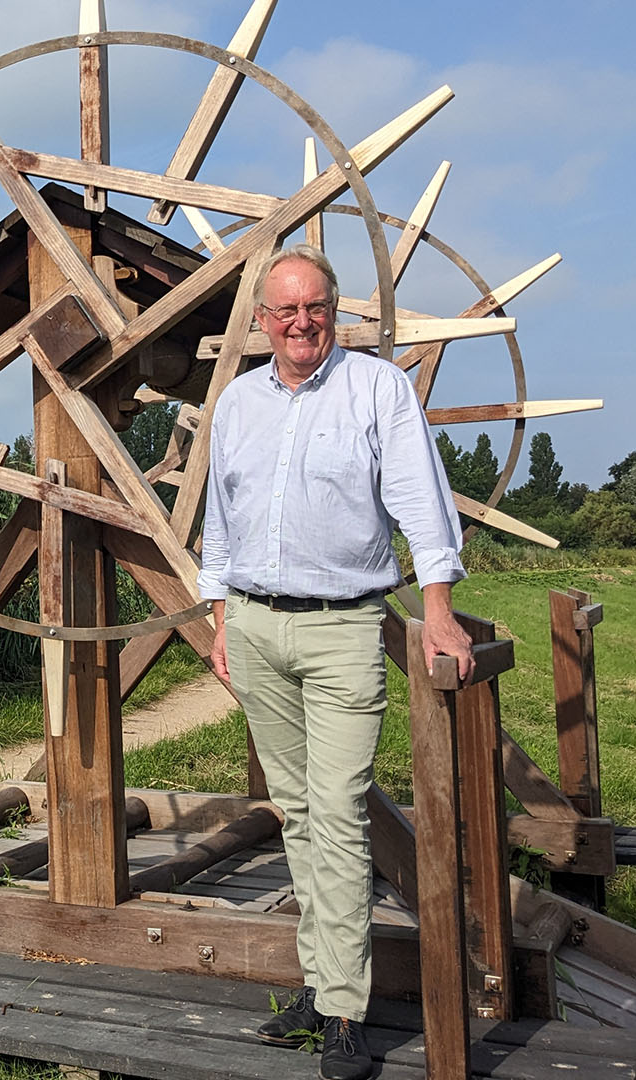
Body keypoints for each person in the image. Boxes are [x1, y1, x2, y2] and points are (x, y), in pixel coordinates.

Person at [196, 244, 474, 1080]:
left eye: (313, 307)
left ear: (335, 310)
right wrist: (219, 618)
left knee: (340, 813)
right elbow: (221, 518)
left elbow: (422, 504)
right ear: (261, 324)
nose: (301, 323)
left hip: (343, 629)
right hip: (253, 627)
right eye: (284, 312)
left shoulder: (378, 390)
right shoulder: (239, 403)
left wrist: (437, 613)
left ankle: (345, 1011)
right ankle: (323, 988)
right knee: (299, 813)